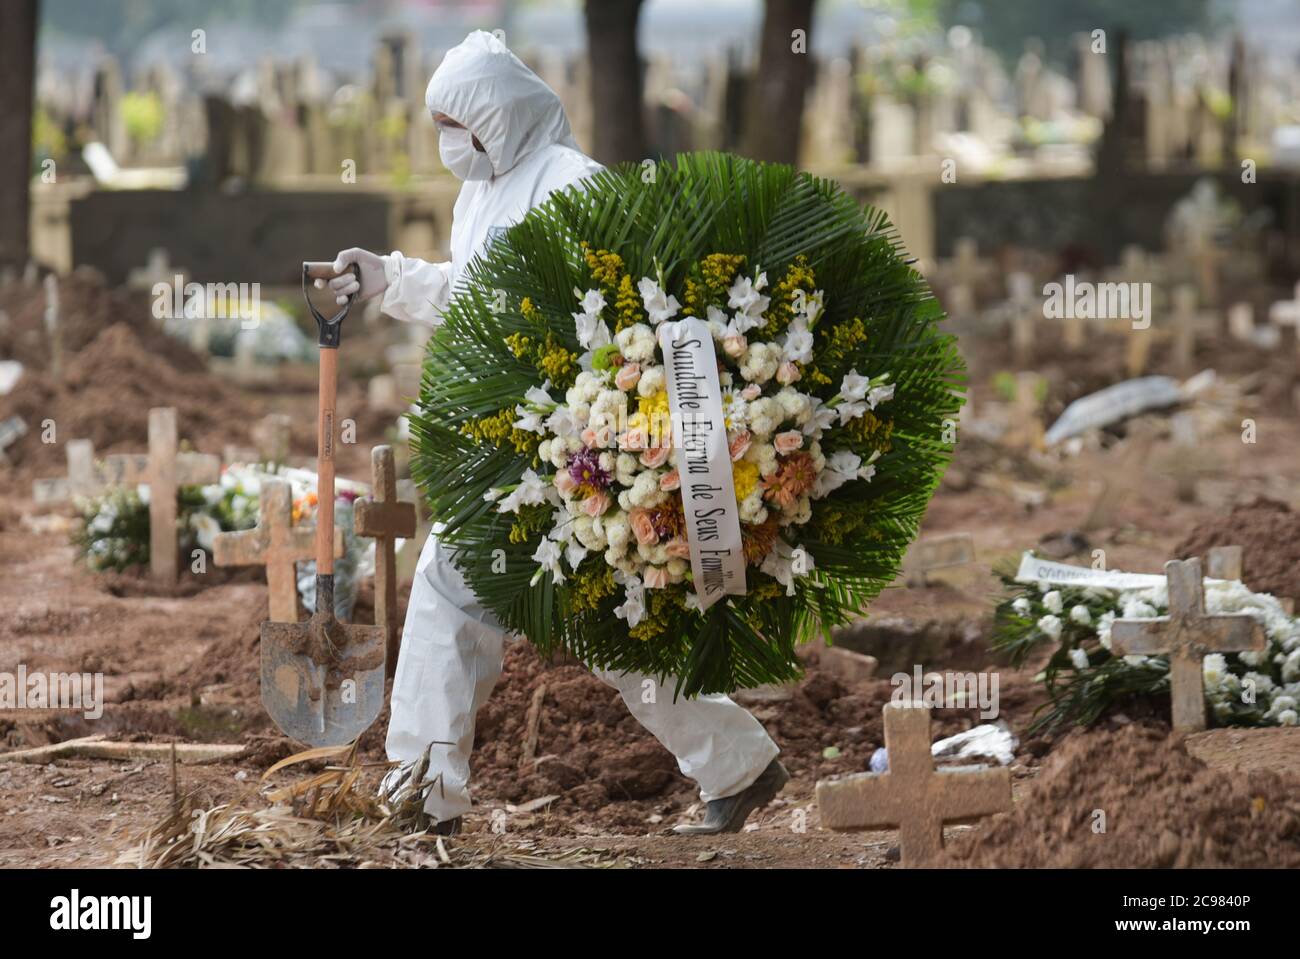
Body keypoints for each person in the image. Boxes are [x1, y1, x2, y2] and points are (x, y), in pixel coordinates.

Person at [319, 31, 786, 837]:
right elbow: (473, 291)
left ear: (493, 118)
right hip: (525, 446)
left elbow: (635, 309)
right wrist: (389, 276)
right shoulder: (487, 191)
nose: (446, 144)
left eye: (452, 124)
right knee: (600, 623)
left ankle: (421, 792)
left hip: (572, 447)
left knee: (446, 593)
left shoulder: (574, 185)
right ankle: (738, 764)